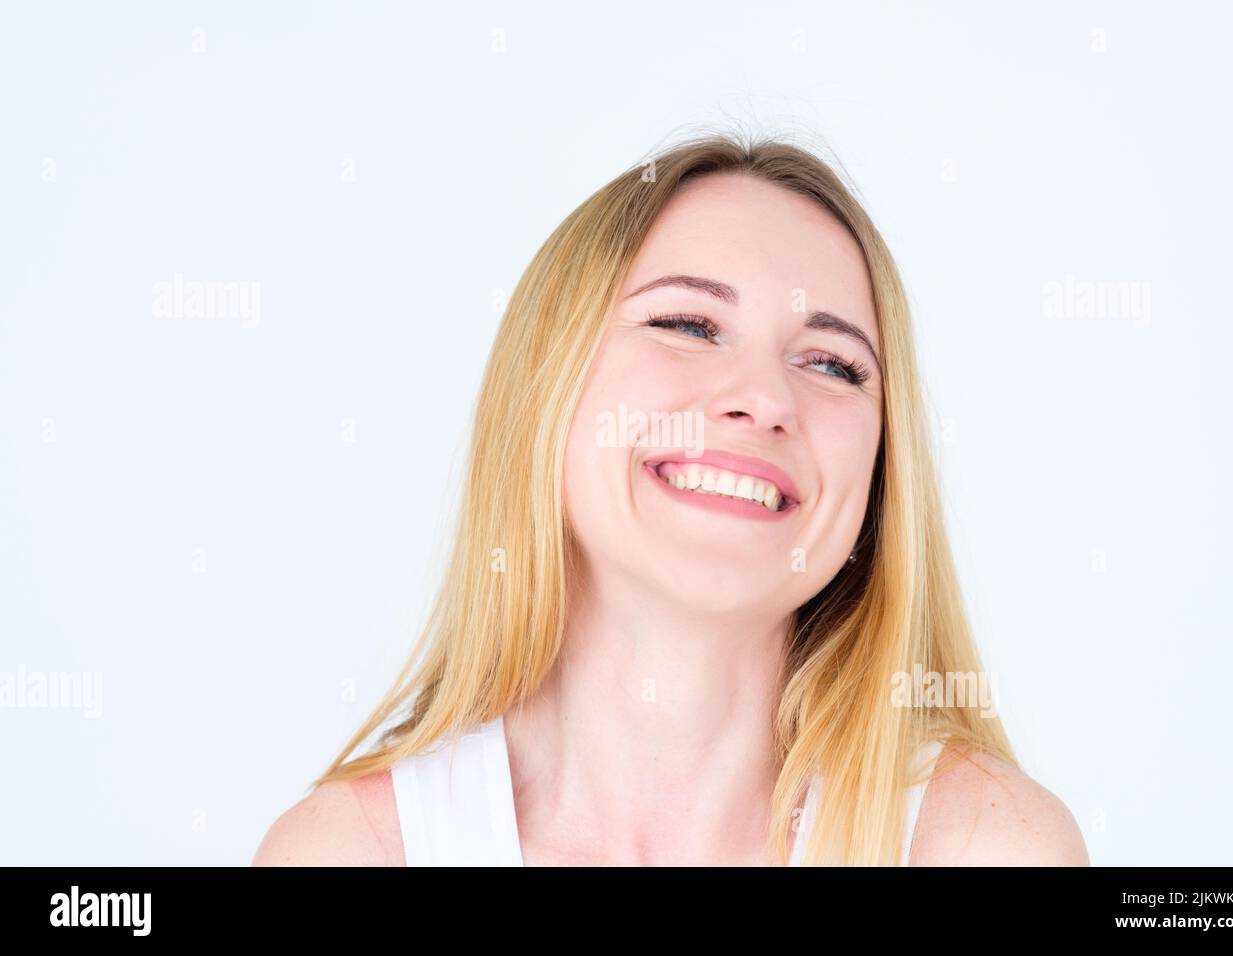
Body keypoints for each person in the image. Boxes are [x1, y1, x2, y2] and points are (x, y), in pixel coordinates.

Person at [253, 131, 1089, 866]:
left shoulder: (988, 847)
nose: (765, 398)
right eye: (687, 325)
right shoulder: (348, 855)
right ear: (545, 384)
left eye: (833, 364)